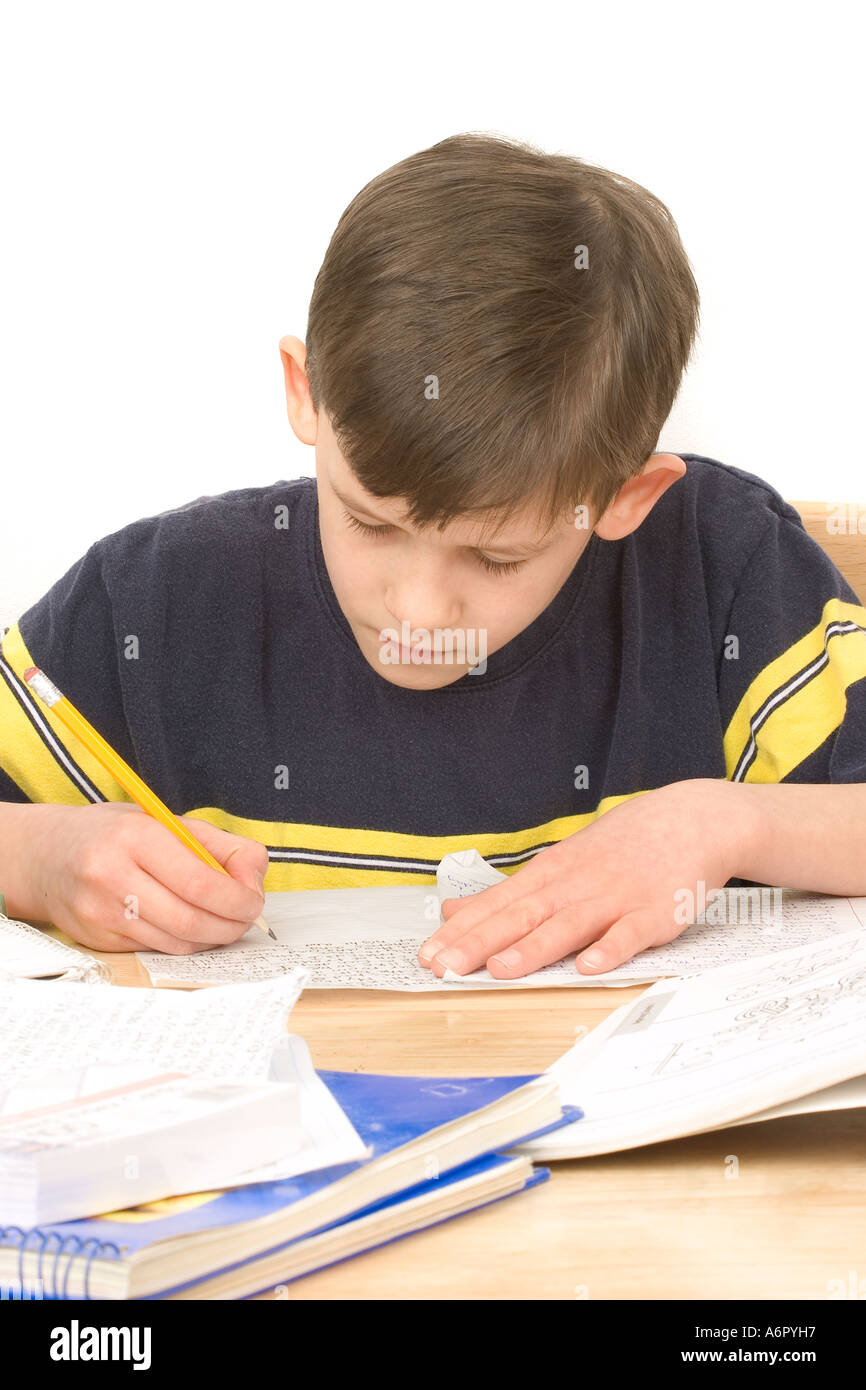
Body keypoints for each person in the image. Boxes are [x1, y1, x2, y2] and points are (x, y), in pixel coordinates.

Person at [1, 132, 865, 978]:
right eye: (371, 523)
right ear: (307, 396)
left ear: (623, 499)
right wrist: (38, 858)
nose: (418, 614)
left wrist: (724, 825)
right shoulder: (155, 598)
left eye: (496, 559)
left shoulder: (724, 566)